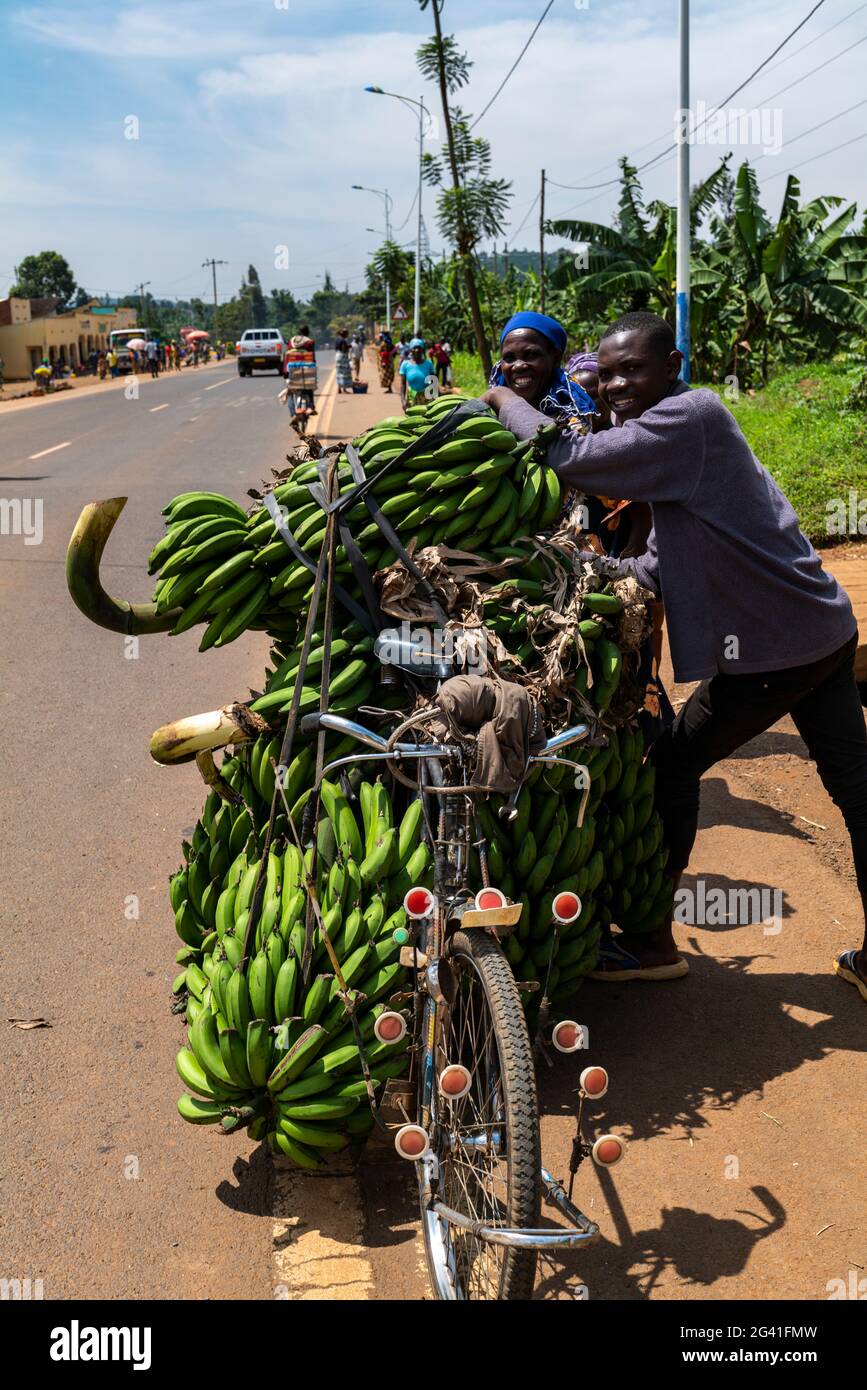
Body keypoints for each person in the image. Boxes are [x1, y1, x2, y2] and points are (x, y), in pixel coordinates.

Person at [484, 309, 867, 999]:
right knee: (856, 794)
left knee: (672, 765)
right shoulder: (678, 437)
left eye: (633, 369)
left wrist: (503, 400)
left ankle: (653, 942)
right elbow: (661, 561)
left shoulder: (689, 416)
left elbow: (569, 459)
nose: (617, 385)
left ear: (672, 366)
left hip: (777, 651)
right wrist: (580, 576)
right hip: (822, 632)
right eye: (606, 373)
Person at [399, 337, 436, 409]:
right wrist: (403, 401)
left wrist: (434, 401)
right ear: (411, 350)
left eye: (419, 348)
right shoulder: (405, 364)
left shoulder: (428, 364)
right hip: (411, 399)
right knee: (412, 420)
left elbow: (433, 383)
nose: (417, 350)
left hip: (426, 400)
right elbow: (403, 385)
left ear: (422, 350)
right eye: (414, 348)